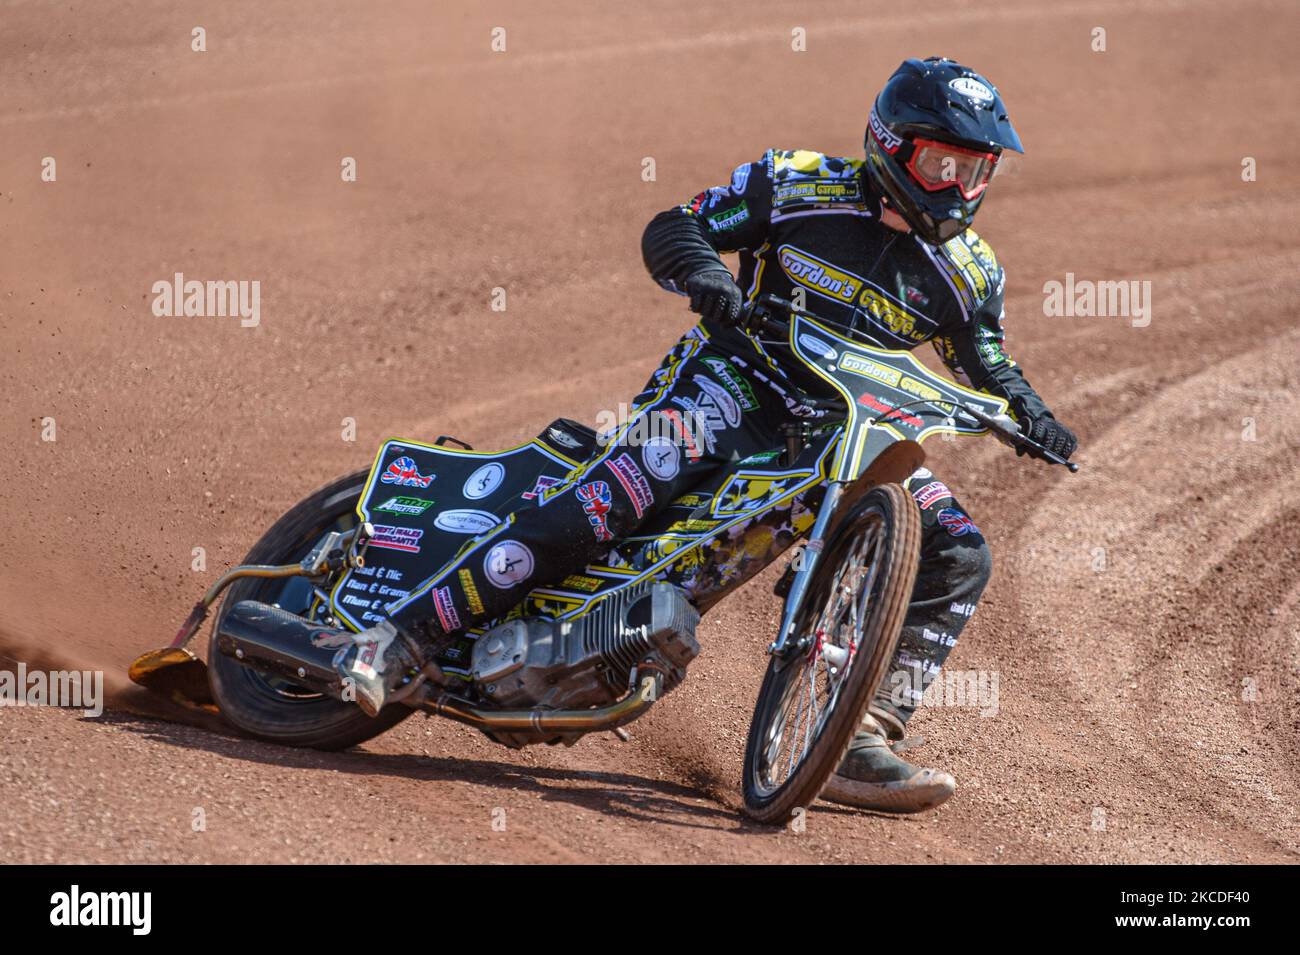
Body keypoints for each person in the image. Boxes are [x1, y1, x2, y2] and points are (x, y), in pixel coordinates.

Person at [331, 57, 1078, 814]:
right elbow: (678, 225)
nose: (956, 188)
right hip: (732, 385)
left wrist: (1032, 413)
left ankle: (859, 732)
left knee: (959, 549)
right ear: (890, 142)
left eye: (975, 172)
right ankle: (402, 636)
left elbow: (988, 362)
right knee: (613, 499)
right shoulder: (794, 182)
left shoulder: (971, 272)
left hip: (849, 428)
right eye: (940, 164)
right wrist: (705, 275)